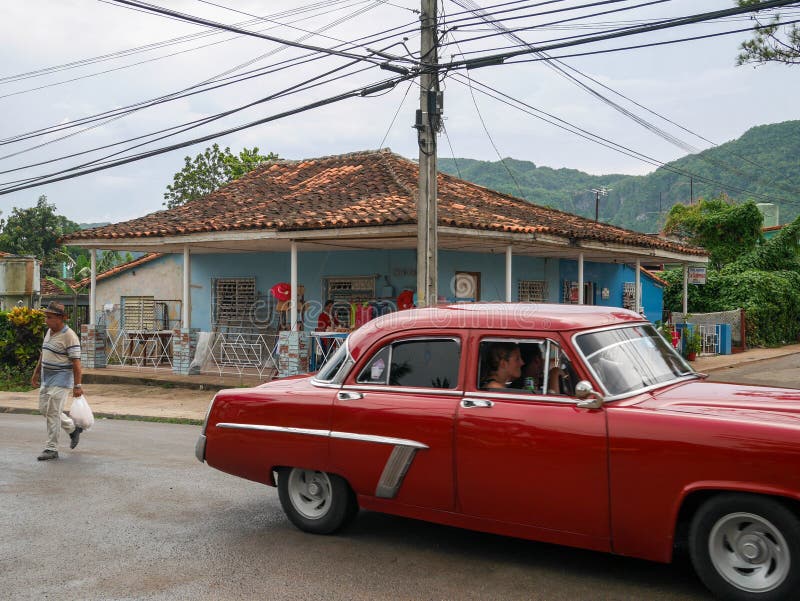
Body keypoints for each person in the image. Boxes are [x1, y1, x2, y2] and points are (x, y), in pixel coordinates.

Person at [30, 301, 84, 461]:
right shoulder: (49, 332)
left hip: (61, 381)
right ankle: (73, 429)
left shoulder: (70, 336)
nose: (46, 320)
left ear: (61, 318)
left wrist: (78, 386)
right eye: (46, 317)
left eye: (49, 317)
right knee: (44, 410)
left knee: (53, 413)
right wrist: (36, 372)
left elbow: (76, 364)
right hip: (46, 379)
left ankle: (51, 448)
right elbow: (43, 353)